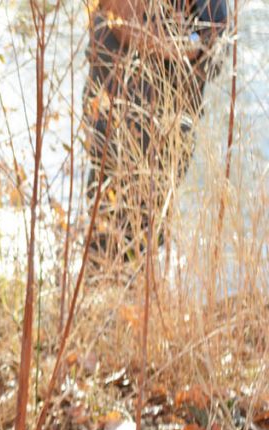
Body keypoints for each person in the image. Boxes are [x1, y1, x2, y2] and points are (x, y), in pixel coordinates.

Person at [82, 0, 229, 260]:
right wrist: (173, 43)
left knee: (151, 229)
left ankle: (136, 287)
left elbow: (215, 44)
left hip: (172, 126)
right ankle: (101, 285)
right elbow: (116, 19)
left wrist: (181, 42)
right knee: (108, 225)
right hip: (120, 118)